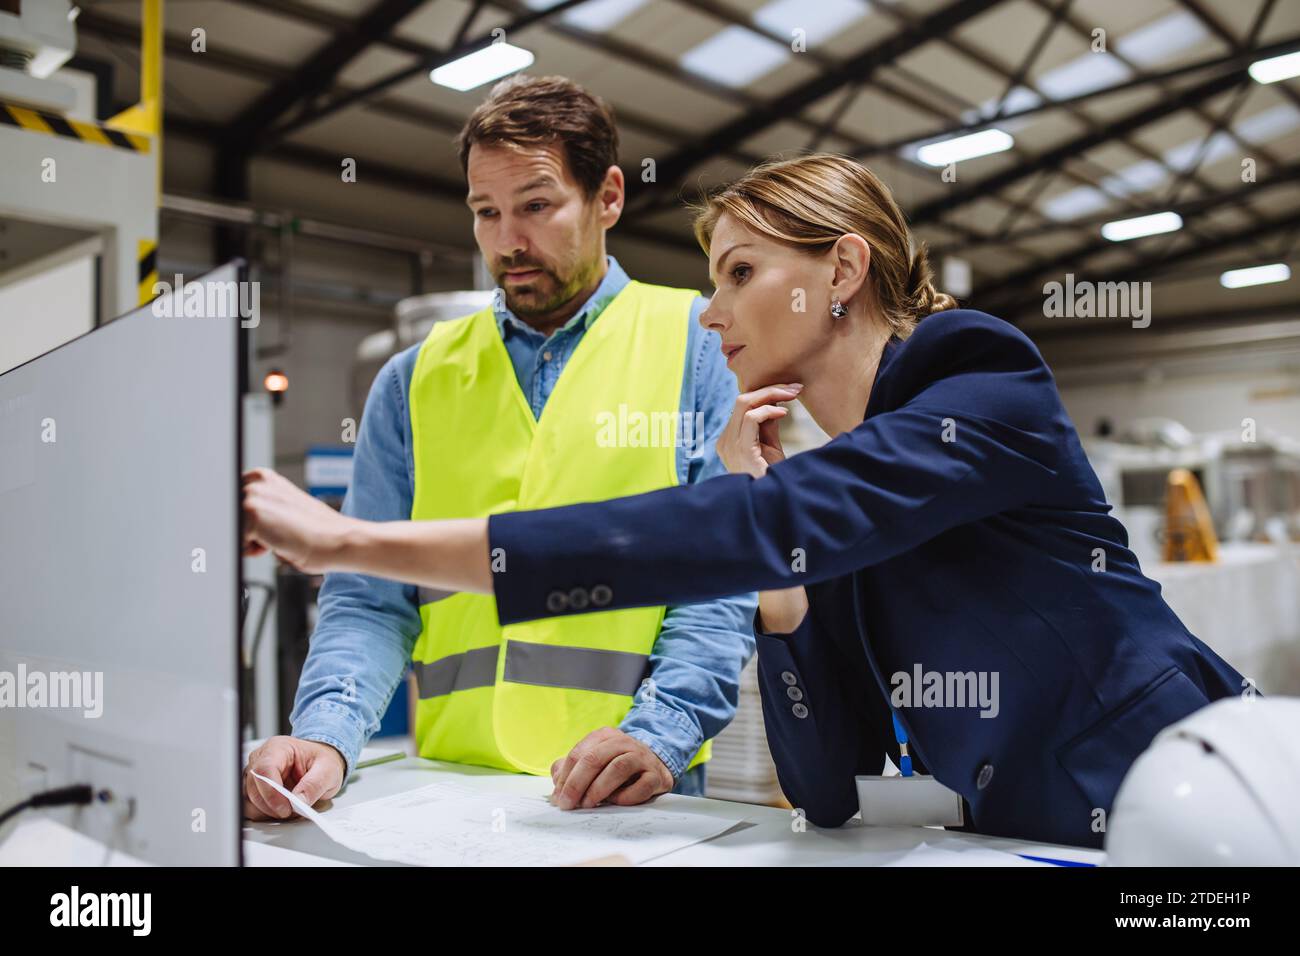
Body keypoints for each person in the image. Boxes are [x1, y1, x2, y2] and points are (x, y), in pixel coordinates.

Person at [242, 152, 1246, 848]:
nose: (712, 311)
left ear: (841, 270)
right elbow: (823, 790)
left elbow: (751, 524)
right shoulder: (841, 486)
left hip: (1198, 809)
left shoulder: (975, 377)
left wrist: (351, 538)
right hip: (1037, 841)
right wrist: (779, 582)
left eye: (740, 272)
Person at [241, 76, 756, 822]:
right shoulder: (413, 381)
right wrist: (326, 733)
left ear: (609, 196)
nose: (507, 241)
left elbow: (718, 580)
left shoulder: (698, 345)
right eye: (486, 213)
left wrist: (660, 737)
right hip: (447, 799)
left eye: (537, 207)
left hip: (635, 798)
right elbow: (368, 598)